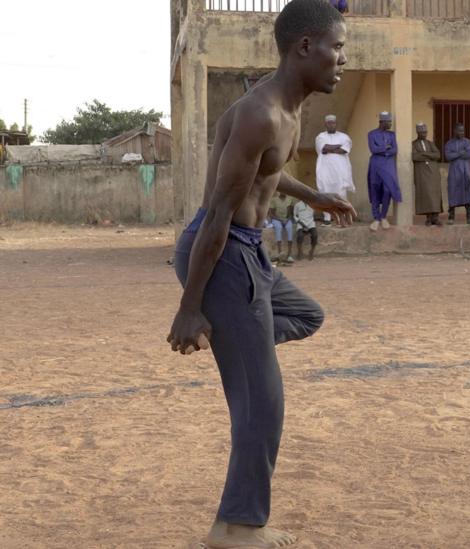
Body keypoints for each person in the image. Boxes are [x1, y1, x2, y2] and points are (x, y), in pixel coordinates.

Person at [166, 2, 355, 547]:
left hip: (247, 255)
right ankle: (240, 529)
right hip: (223, 253)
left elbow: (266, 172)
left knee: (305, 315)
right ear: (304, 48)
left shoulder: (288, 112)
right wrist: (190, 307)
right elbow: (220, 212)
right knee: (263, 402)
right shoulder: (260, 112)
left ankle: (241, 342)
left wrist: (313, 194)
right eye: (336, 47)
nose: (342, 59)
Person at [314, 114, 355, 227]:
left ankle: (345, 218)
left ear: (336, 124)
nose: (331, 125)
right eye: (329, 123)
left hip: (340, 171)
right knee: (326, 192)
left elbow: (344, 150)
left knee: (341, 194)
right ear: (325, 124)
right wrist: (337, 147)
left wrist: (330, 148)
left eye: (333, 123)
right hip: (325, 170)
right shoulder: (320, 136)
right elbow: (324, 148)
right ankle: (328, 218)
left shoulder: (344, 136)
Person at [367, 111, 401, 231]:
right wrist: (385, 149)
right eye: (389, 122)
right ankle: (376, 218)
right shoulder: (371, 134)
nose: (391, 124)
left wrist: (383, 151)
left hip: (388, 165)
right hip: (375, 164)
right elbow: (373, 149)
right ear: (382, 122)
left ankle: (383, 217)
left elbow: (395, 150)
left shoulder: (392, 135)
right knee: (375, 188)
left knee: (388, 190)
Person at [444, 122, 470, 224]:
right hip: (454, 171)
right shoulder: (449, 143)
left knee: (467, 192)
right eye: (460, 130)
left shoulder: (467, 142)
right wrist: (461, 153)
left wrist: (456, 154)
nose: (462, 132)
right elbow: (448, 156)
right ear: (455, 131)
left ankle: (469, 216)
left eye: (463, 130)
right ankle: (451, 217)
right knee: (452, 192)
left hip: (465, 171)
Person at [412, 122, 443, 226]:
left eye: (425, 132)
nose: (424, 134)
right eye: (422, 132)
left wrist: (423, 154)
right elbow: (415, 157)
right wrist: (429, 156)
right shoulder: (413, 144)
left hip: (433, 173)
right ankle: (428, 218)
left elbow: (437, 155)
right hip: (422, 174)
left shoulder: (430, 143)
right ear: (418, 132)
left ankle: (436, 217)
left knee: (435, 194)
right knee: (425, 195)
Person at [268, 191, 296, 264]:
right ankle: (280, 253)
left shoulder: (290, 199)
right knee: (278, 228)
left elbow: (291, 213)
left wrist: (287, 220)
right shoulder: (274, 200)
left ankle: (289, 254)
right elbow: (271, 214)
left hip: (287, 219)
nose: (284, 192)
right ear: (279, 191)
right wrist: (280, 220)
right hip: (276, 219)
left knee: (290, 228)